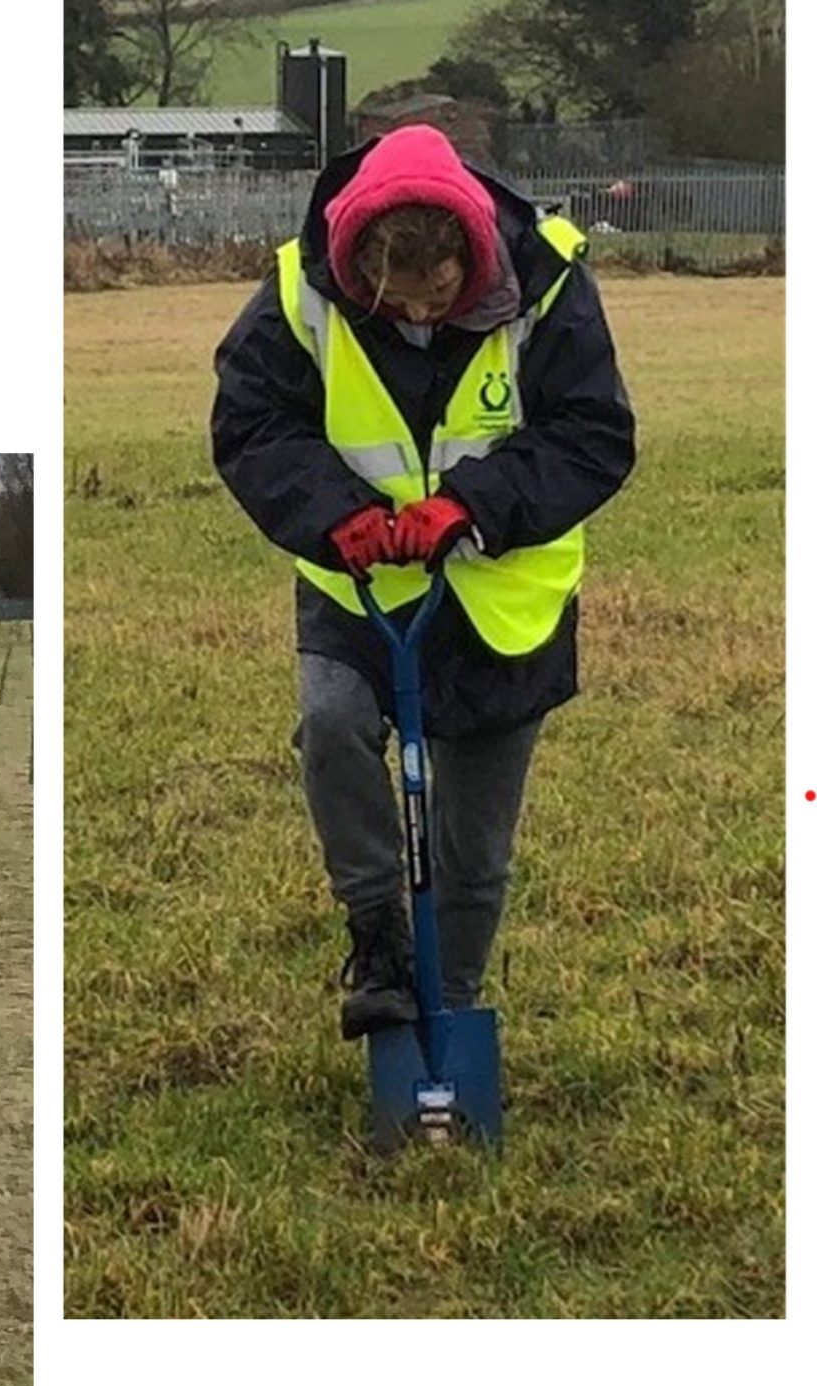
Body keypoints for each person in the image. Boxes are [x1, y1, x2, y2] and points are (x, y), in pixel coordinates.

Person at [211, 124, 635, 1039]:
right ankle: (379, 941)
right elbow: (254, 427)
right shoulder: (300, 292)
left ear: (472, 256)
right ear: (358, 264)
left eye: (442, 294)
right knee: (330, 727)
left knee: (473, 848)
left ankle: (453, 1010)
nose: (422, 317)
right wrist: (337, 515)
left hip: (502, 594)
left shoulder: (549, 285)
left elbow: (593, 436)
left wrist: (473, 506)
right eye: (396, 300)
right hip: (354, 584)